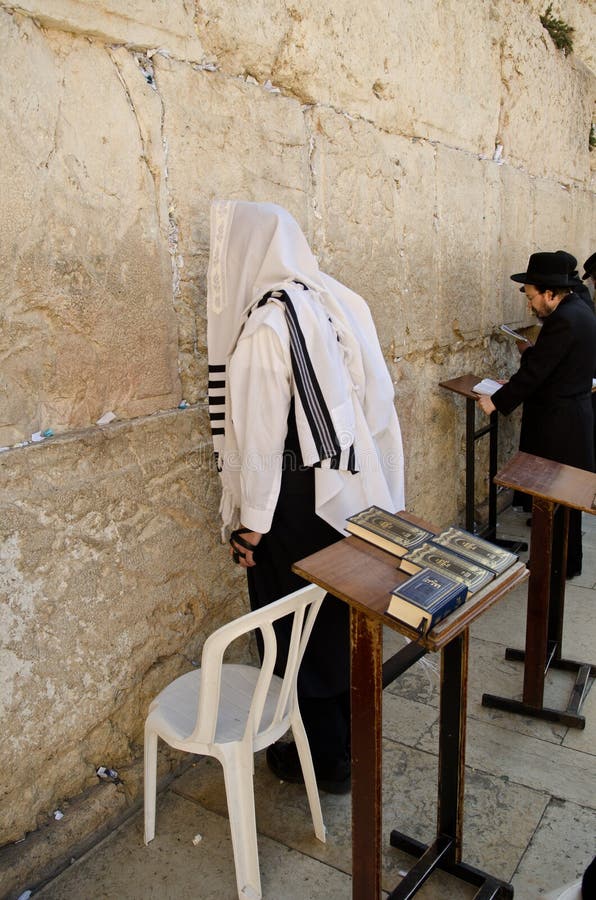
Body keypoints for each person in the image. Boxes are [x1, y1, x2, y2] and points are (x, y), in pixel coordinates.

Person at [206, 200, 405, 793]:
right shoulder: (334, 301)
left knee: (299, 630)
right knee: (337, 618)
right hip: (339, 492)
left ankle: (327, 762)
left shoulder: (268, 327)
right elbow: (377, 402)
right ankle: (348, 741)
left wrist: (252, 525)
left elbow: (263, 443)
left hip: (291, 503)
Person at [477, 251, 596, 578]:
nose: (529, 305)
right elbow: (554, 366)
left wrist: (497, 401)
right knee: (563, 504)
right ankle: (563, 564)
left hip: (560, 425)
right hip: (572, 417)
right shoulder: (579, 311)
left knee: (554, 500)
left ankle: (553, 568)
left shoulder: (564, 320)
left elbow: (537, 373)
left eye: (532, 297)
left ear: (551, 293)